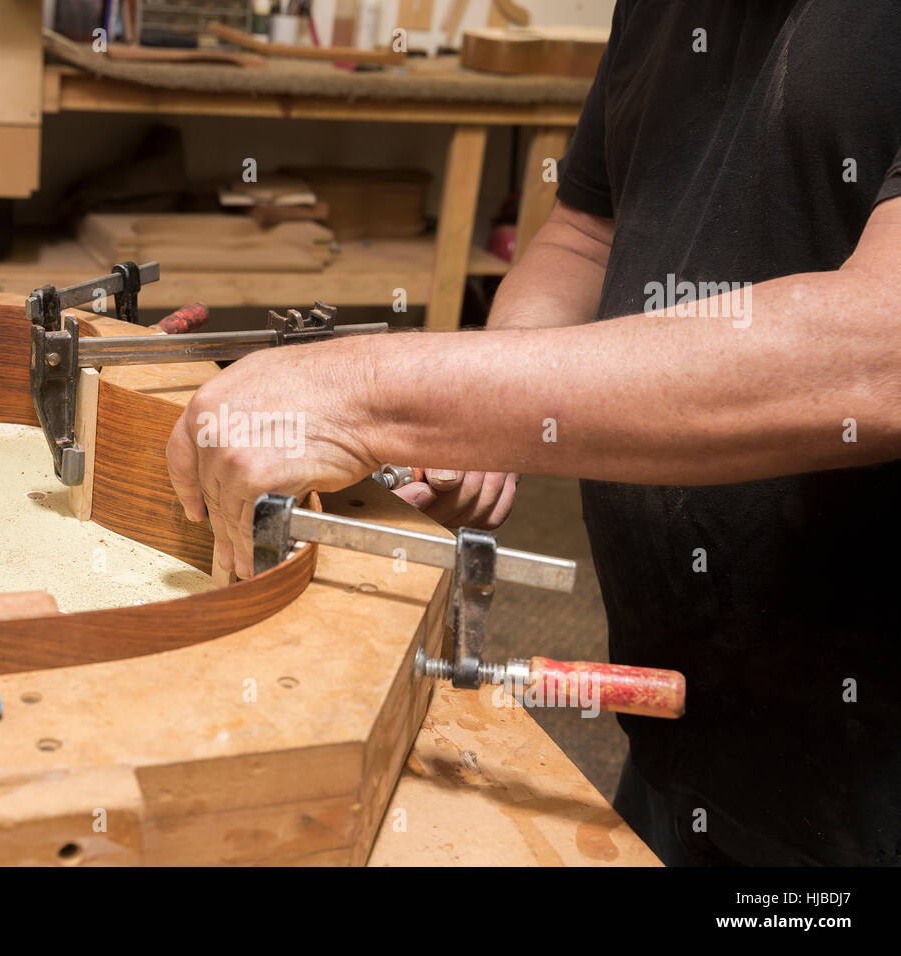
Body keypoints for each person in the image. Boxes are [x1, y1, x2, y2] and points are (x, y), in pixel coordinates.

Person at [165, 1, 901, 865]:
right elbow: (587, 235)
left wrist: (368, 391)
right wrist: (487, 417)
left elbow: (879, 348)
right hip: (685, 716)